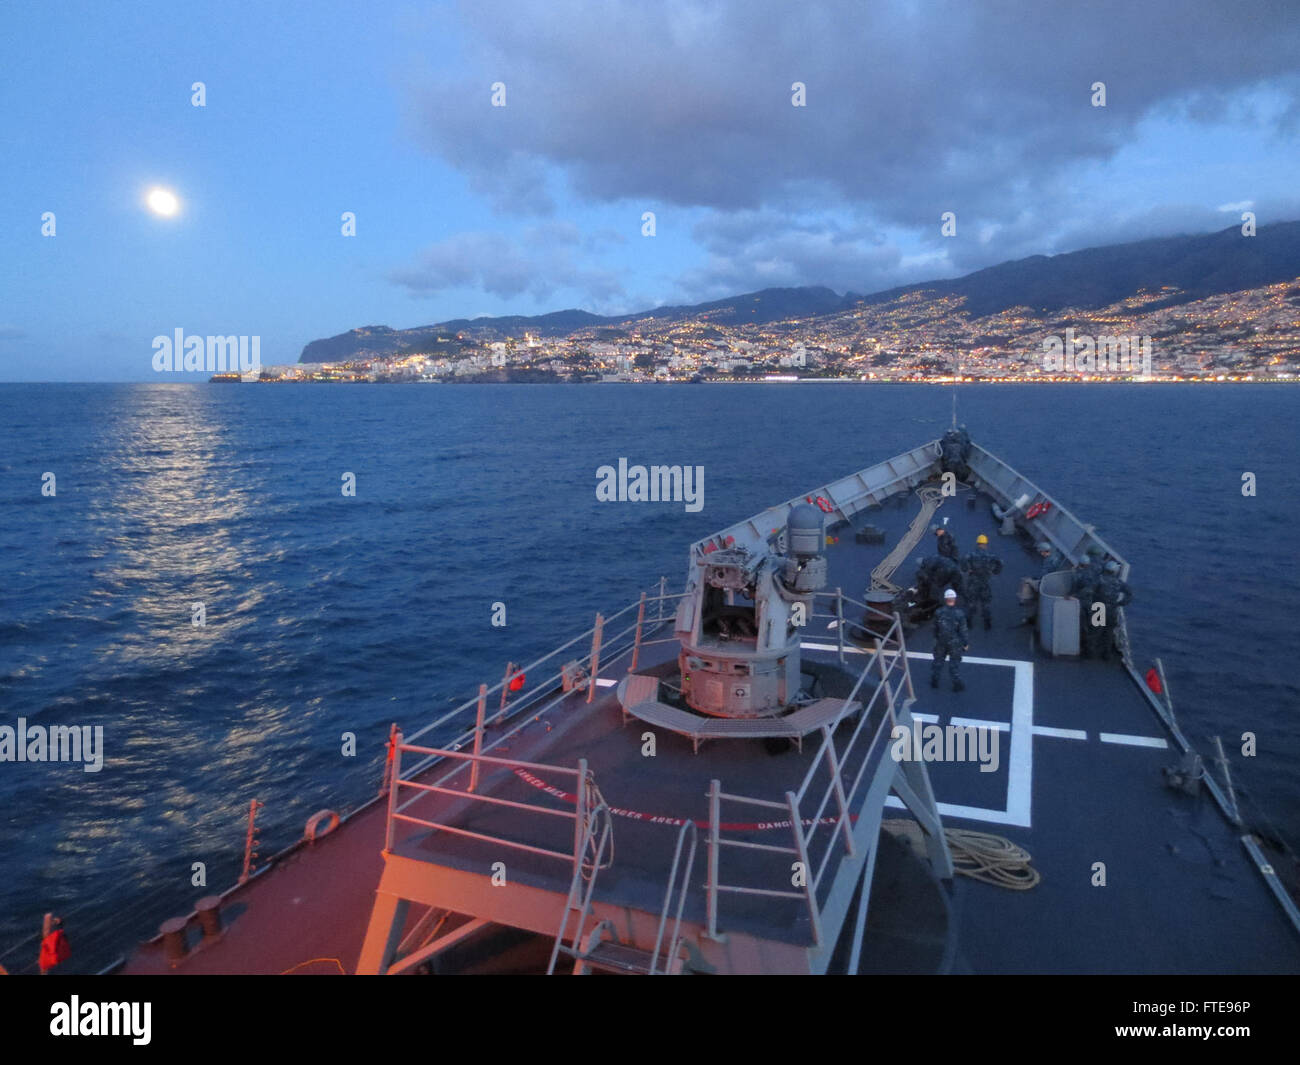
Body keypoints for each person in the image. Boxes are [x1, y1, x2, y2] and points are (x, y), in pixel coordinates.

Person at [1086, 561, 1133, 660]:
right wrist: (1121, 603)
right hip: (1112, 609)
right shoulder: (1118, 582)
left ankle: (1090, 654)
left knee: (1095, 631)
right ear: (1115, 571)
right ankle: (1107, 654)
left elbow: (1088, 591)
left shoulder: (1099, 580)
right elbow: (1130, 594)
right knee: (1109, 632)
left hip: (1099, 607)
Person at [961, 534, 1003, 630]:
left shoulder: (971, 554)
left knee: (971, 602)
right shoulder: (990, 556)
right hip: (985, 583)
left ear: (977, 543)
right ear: (985, 544)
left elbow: (963, 560)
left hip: (973, 582)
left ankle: (969, 622)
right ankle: (987, 622)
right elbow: (1000, 562)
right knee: (985, 603)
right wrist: (996, 571)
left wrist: (966, 569)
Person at [931, 589, 970, 691]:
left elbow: (935, 628)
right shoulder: (960, 613)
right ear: (954, 599)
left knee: (938, 661)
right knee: (954, 664)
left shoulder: (938, 612)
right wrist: (965, 643)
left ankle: (935, 680)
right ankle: (957, 684)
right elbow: (963, 630)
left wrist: (937, 639)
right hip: (955, 642)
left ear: (945, 599)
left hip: (941, 641)